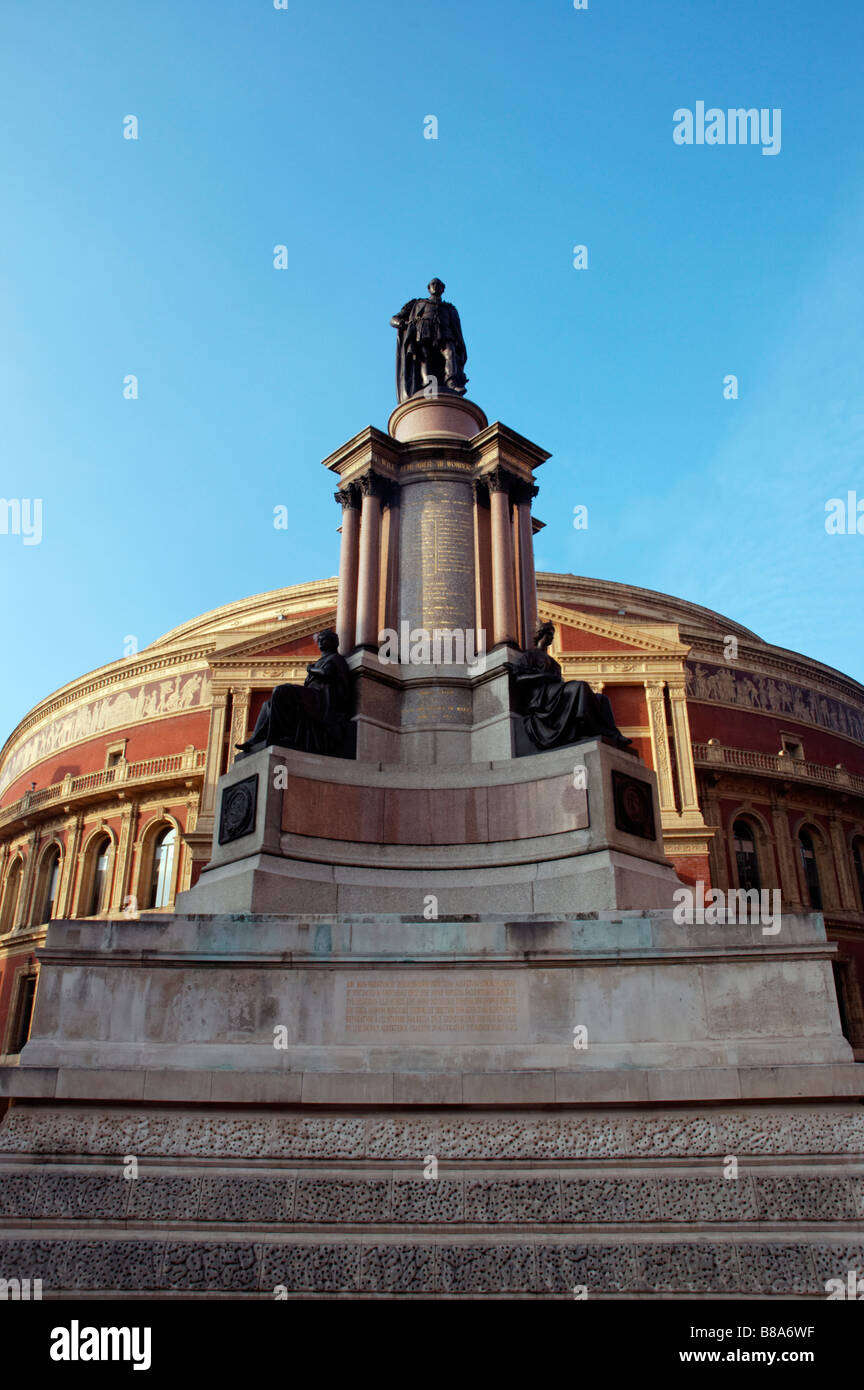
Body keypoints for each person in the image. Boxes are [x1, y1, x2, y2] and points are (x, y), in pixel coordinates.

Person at [513, 621, 632, 751]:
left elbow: (560, 683)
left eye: (552, 635)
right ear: (541, 634)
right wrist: (545, 677)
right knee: (580, 687)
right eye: (549, 634)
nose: (552, 638)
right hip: (542, 696)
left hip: (556, 694)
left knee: (602, 699)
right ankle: (588, 728)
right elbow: (520, 678)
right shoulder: (530, 655)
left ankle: (612, 733)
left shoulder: (554, 663)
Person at [235, 629, 352, 758]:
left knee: (281, 691)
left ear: (333, 642)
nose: (319, 642)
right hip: (312, 698)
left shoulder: (335, 658)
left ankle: (286, 734)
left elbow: (327, 674)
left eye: (323, 639)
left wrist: (311, 669)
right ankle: (255, 739)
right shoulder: (322, 660)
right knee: (267, 705)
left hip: (322, 699)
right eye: (319, 639)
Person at [390, 278, 468, 401]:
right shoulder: (417, 304)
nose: (436, 286)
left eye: (439, 285)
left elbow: (457, 330)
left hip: (445, 334)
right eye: (433, 284)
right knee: (425, 358)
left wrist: (461, 349)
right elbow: (394, 319)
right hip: (423, 334)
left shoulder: (449, 308)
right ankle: (429, 384)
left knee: (450, 353)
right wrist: (404, 323)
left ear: (443, 289)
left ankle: (452, 383)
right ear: (429, 288)